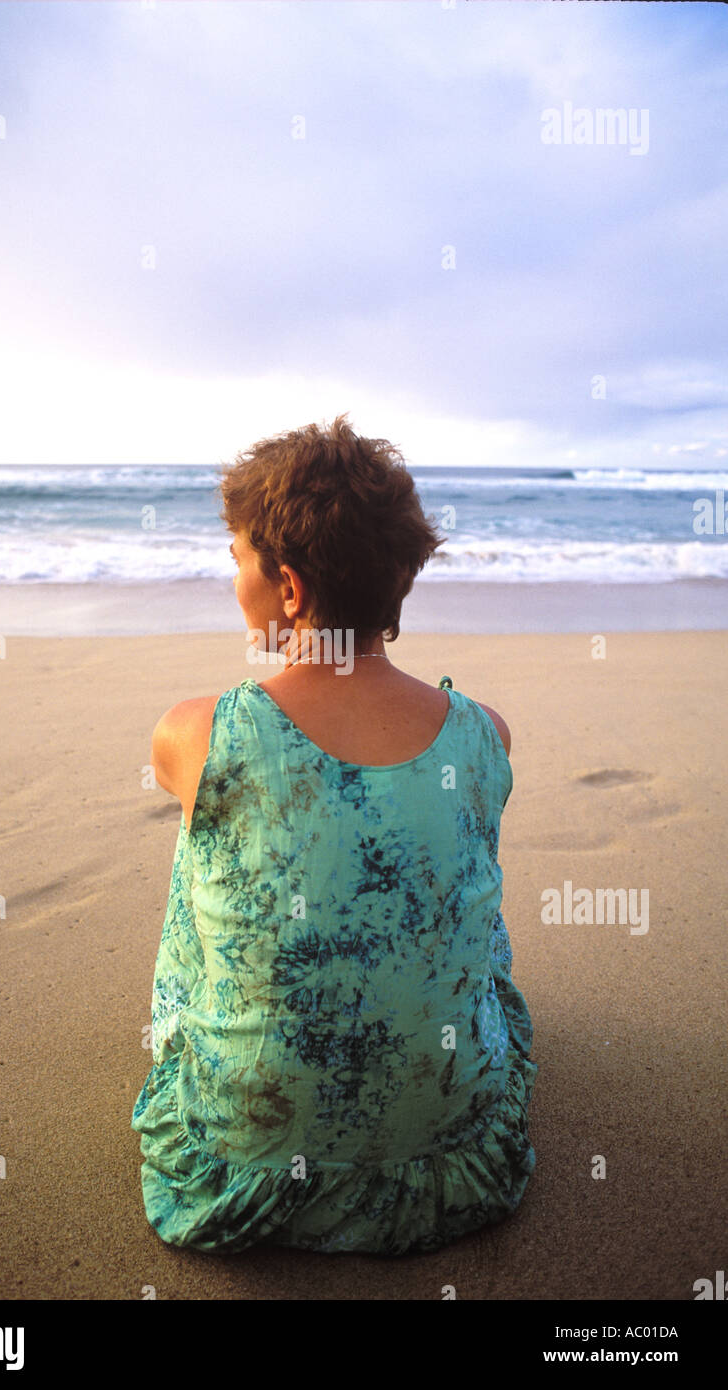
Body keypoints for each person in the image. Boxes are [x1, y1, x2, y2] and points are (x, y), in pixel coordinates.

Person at [131, 414, 538, 1254]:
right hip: (453, 1165)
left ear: (287, 587)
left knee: (210, 840)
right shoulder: (484, 735)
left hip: (242, 1165)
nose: (230, 579)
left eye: (237, 559)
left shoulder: (194, 731)